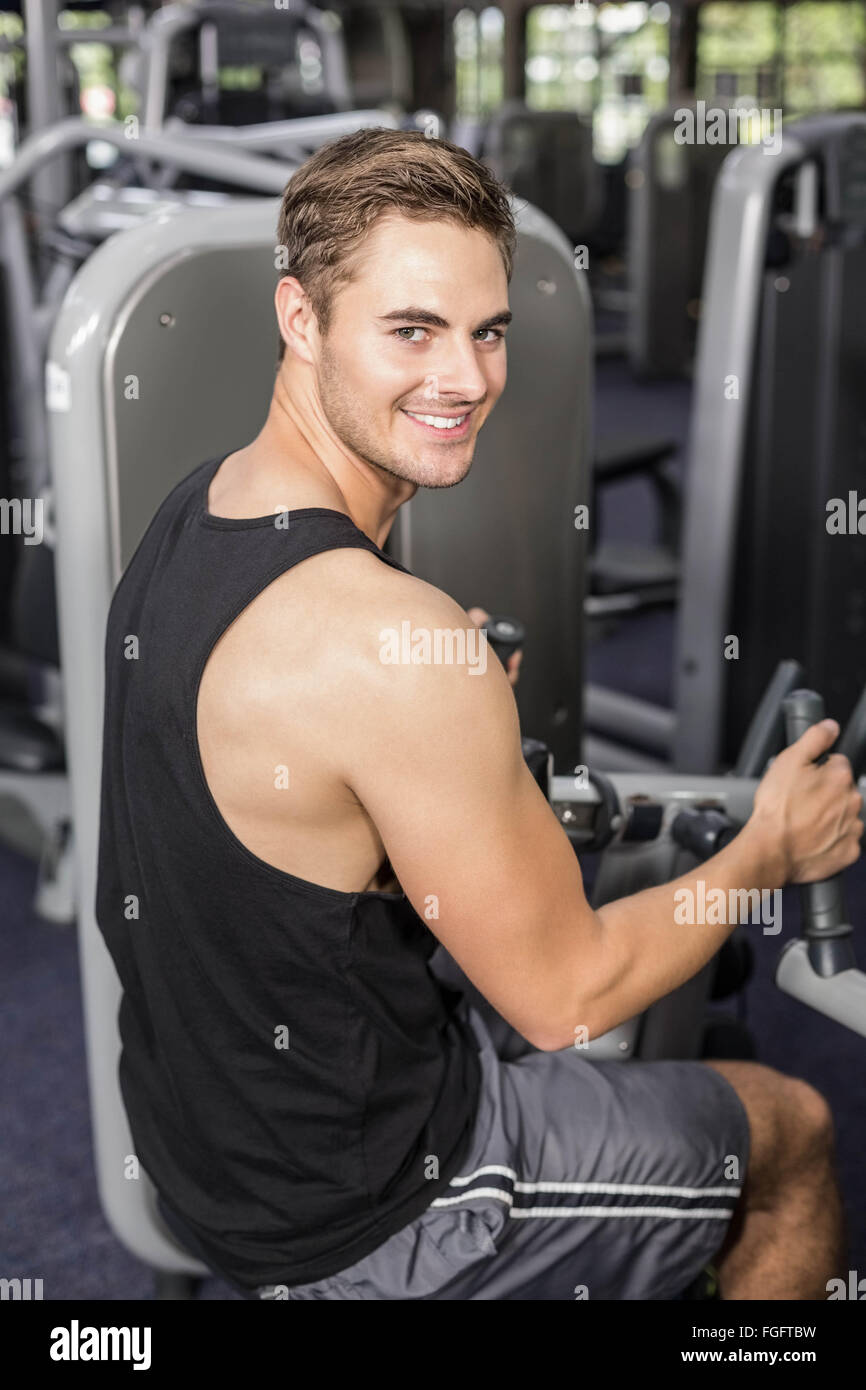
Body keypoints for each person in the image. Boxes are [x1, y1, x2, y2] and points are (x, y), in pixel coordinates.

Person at [95, 127, 861, 1301]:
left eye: (486, 330)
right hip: (376, 1212)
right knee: (792, 1134)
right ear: (299, 319)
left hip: (208, 1149)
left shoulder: (194, 509)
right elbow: (569, 998)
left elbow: (270, 807)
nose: (464, 378)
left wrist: (427, 741)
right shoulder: (390, 650)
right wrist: (772, 847)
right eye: (411, 329)